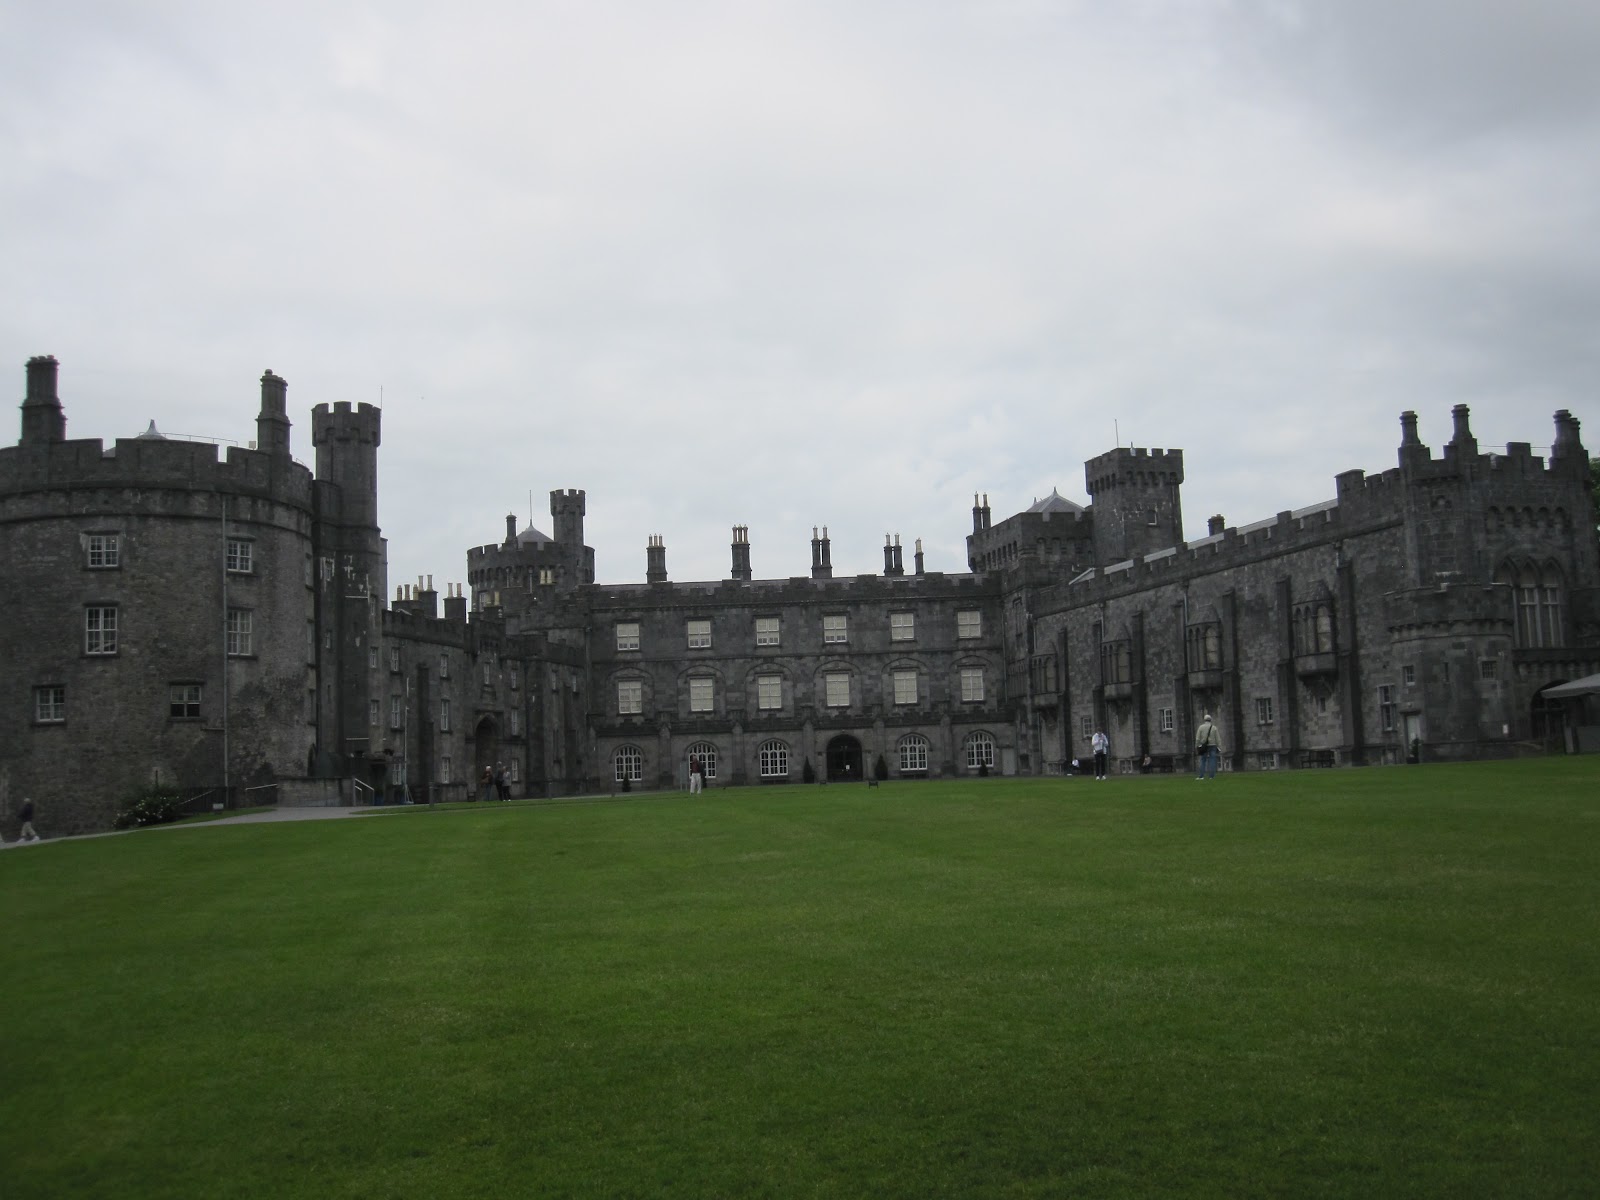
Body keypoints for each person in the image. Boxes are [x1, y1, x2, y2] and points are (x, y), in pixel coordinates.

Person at [1195, 713, 1221, 780]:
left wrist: (1197, 745)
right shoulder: (1214, 728)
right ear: (1210, 720)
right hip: (1213, 745)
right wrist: (1219, 746)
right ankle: (1211, 776)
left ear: (1204, 720)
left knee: (1203, 760)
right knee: (1212, 760)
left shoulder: (1201, 727)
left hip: (1204, 746)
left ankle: (1201, 776)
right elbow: (1218, 738)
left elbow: (1197, 738)